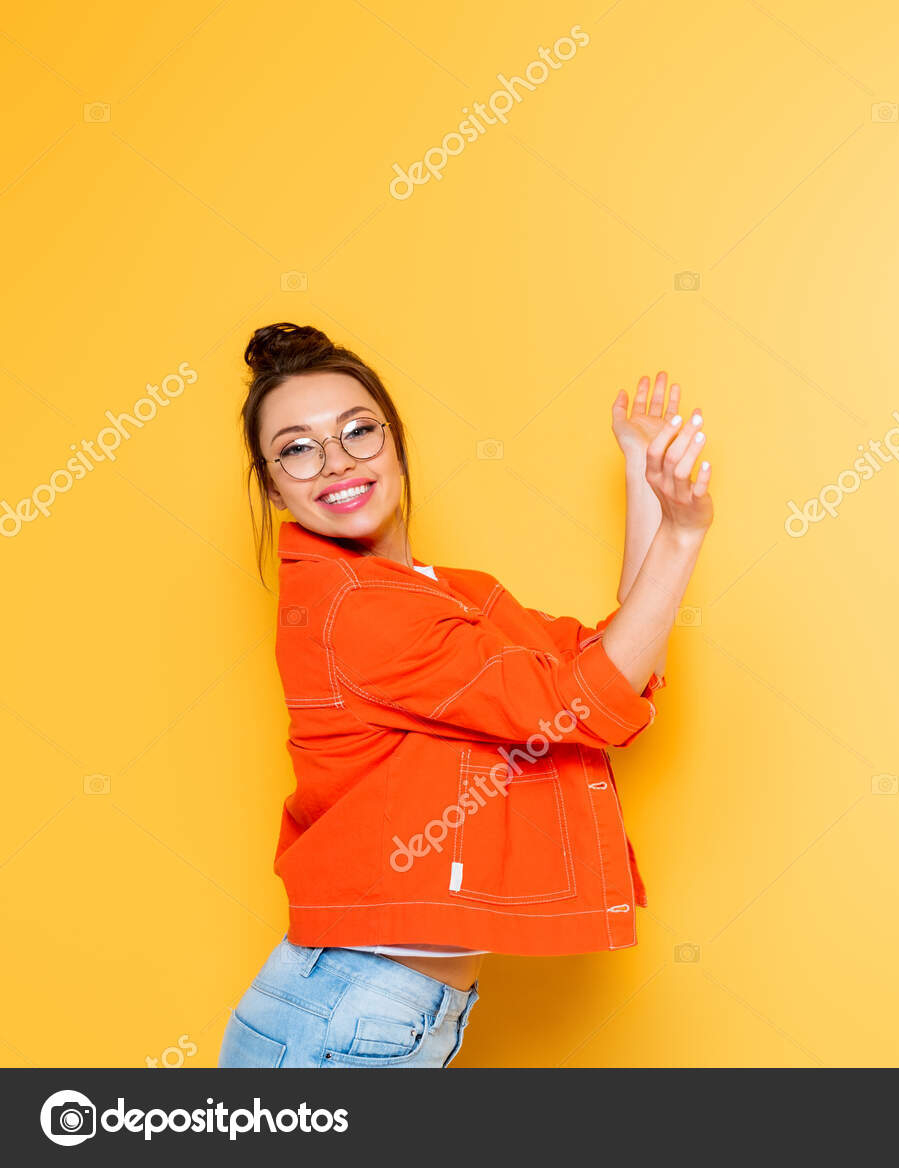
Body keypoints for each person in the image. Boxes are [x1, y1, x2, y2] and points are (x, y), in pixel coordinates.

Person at [217, 322, 712, 1067]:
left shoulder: (442, 594)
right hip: (351, 1012)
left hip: (390, 1012)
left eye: (358, 432)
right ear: (271, 482)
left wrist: (647, 481)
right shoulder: (352, 608)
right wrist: (681, 533)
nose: (337, 463)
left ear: (396, 442)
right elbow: (580, 704)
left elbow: (619, 663)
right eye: (297, 447)